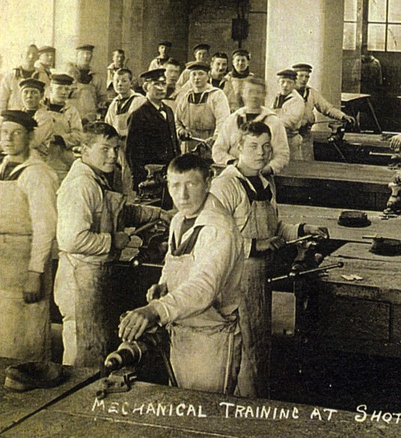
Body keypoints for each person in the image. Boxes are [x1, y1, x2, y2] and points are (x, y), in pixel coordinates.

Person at [210, 121, 328, 397]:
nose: (261, 153)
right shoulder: (224, 186)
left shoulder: (265, 182)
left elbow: (275, 226)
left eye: (266, 146)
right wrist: (255, 245)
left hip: (259, 280)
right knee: (240, 348)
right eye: (253, 146)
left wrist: (302, 230)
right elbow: (214, 238)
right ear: (239, 148)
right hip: (233, 281)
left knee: (259, 344)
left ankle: (258, 402)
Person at [118, 153, 243, 395]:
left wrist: (155, 310)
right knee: (180, 400)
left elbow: (203, 287)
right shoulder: (178, 220)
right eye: (175, 185)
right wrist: (164, 285)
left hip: (210, 339)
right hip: (180, 330)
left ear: (208, 182)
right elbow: (172, 263)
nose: (182, 195)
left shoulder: (219, 229)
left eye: (191, 184)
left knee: (205, 409)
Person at [55, 122, 169, 367]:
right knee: (83, 354)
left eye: (116, 149)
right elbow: (72, 239)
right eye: (105, 149)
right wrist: (112, 240)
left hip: (94, 276)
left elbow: (118, 212)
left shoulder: (97, 178)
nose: (112, 155)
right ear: (85, 149)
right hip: (79, 277)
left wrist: (156, 214)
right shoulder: (81, 185)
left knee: (96, 349)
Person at [0, 111, 58, 361]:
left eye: (16, 133)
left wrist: (35, 272)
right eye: (4, 132)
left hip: (26, 266)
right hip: (5, 266)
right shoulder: (4, 167)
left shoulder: (38, 174)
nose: (8, 138)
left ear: (30, 137)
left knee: (26, 339)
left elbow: (45, 227)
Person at [213, 76, 290, 174]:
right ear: (242, 93)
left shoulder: (274, 122)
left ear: (264, 95)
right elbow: (218, 150)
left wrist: (268, 169)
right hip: (233, 173)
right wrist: (233, 163)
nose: (254, 96)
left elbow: (282, 154)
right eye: (250, 92)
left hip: (262, 174)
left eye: (258, 92)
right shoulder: (232, 119)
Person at [126, 68, 181, 191]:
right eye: (156, 84)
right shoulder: (138, 115)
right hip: (150, 178)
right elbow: (133, 152)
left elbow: (174, 142)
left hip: (169, 174)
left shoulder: (168, 110)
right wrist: (141, 179)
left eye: (163, 84)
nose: (161, 88)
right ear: (146, 87)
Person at [292, 63, 356, 160]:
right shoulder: (287, 94)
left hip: (306, 138)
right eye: (301, 76)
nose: (304, 79)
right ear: (294, 77)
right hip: (291, 137)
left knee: (307, 164)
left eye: (307, 76)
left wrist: (342, 116)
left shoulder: (311, 93)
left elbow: (327, 108)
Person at [104, 68, 147, 197]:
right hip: (118, 147)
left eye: (124, 81)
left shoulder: (139, 101)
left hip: (135, 147)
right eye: (117, 81)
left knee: (132, 180)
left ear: (131, 83)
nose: (120, 84)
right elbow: (108, 124)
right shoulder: (114, 103)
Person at [174, 62, 230, 153]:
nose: (196, 77)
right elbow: (177, 122)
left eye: (200, 74)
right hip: (189, 146)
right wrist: (181, 131)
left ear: (208, 76)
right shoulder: (185, 97)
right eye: (193, 74)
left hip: (210, 145)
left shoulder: (217, 95)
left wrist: (215, 139)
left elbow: (223, 121)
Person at [43, 73, 83, 180]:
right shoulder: (40, 108)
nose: (64, 92)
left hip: (62, 160)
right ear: (51, 89)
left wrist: (59, 138)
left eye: (67, 89)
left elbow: (79, 135)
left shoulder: (71, 111)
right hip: (42, 158)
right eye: (59, 88)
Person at [65, 44, 108, 123]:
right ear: (77, 56)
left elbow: (102, 96)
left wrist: (102, 103)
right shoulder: (68, 74)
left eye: (88, 54)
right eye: (82, 54)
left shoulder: (96, 76)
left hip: (90, 117)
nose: (86, 57)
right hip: (71, 116)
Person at [0, 44, 49, 111]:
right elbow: (2, 100)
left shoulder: (42, 76)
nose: (31, 56)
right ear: (22, 55)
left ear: (37, 58)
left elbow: (47, 97)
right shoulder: (10, 76)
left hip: (35, 114)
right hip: (14, 114)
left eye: (34, 54)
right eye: (28, 53)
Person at [271, 69, 306, 160]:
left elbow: (290, 121)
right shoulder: (276, 97)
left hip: (290, 139)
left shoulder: (297, 100)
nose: (285, 85)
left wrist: (270, 120)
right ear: (278, 82)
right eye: (282, 82)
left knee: (292, 164)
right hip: (276, 139)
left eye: (289, 82)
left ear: (294, 84)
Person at [18, 78, 53, 159]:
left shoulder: (45, 117)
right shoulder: (19, 114)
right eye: (26, 92)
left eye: (34, 92)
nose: (29, 96)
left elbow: (34, 142)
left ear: (41, 96)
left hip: (38, 157)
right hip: (20, 154)